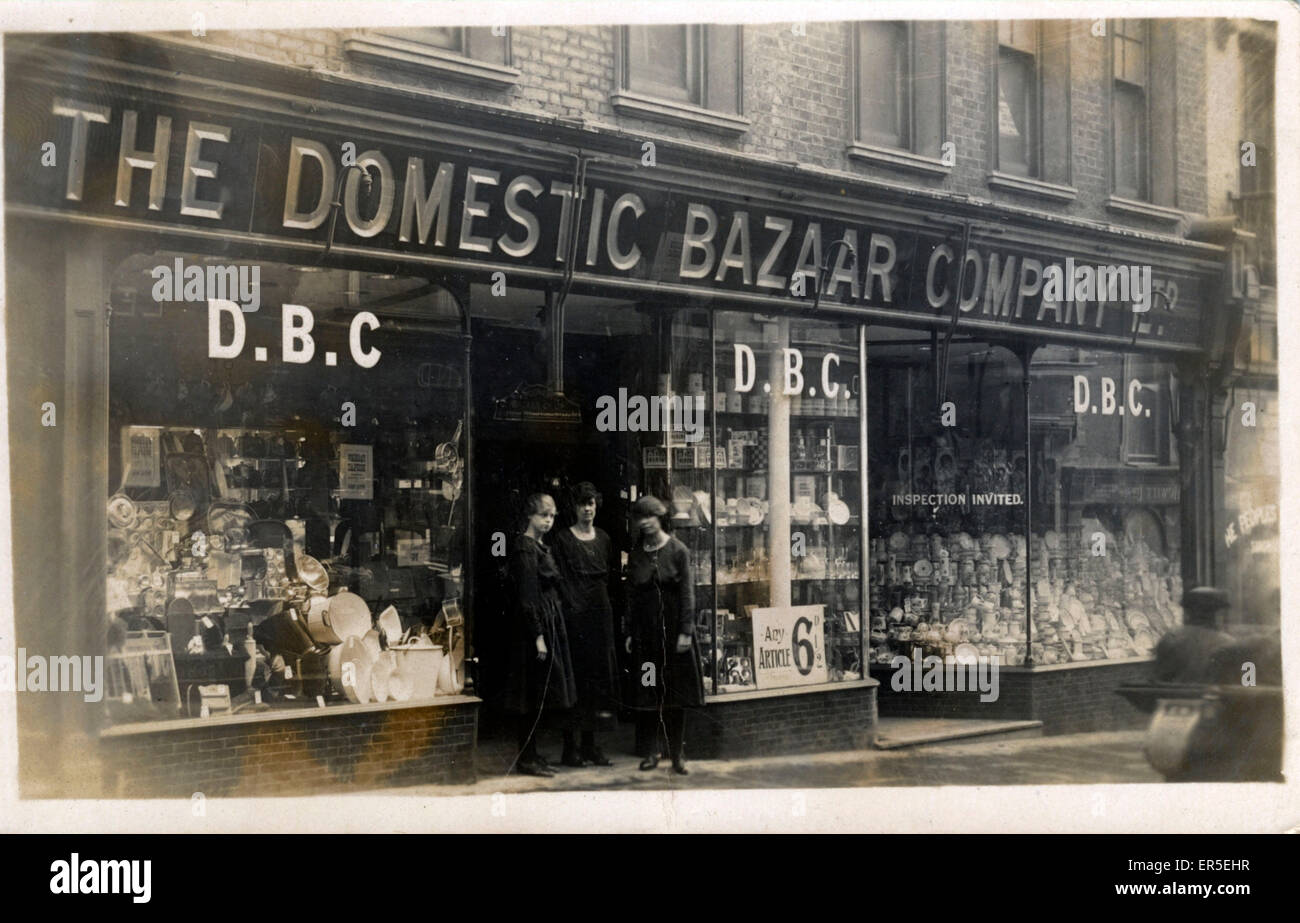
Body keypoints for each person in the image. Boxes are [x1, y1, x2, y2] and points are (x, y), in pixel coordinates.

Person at [625, 495, 703, 774]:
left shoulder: (678, 550)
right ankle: (652, 750)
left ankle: (677, 753)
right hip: (646, 635)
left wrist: (685, 631)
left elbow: (687, 594)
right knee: (648, 690)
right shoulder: (637, 553)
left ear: (660, 518)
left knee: (675, 692)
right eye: (640, 518)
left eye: (650, 517)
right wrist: (630, 631)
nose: (645, 523)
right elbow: (632, 595)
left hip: (672, 633)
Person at [504, 493, 578, 777]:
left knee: (539, 694)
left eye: (551, 516)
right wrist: (538, 636)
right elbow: (527, 597)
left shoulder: (538, 546)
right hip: (533, 630)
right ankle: (526, 757)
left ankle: (532, 754)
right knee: (531, 694)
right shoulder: (525, 548)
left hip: (547, 623)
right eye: (542, 516)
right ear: (529, 517)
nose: (547, 521)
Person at [552, 482, 621, 767]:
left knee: (597, 681)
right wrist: (572, 608)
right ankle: (570, 748)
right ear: (574, 508)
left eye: (591, 503)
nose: (587, 509)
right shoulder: (562, 540)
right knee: (574, 681)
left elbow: (611, 578)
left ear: (597, 505)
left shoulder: (604, 538)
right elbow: (558, 579)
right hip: (574, 618)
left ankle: (592, 745)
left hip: (599, 617)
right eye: (582, 504)